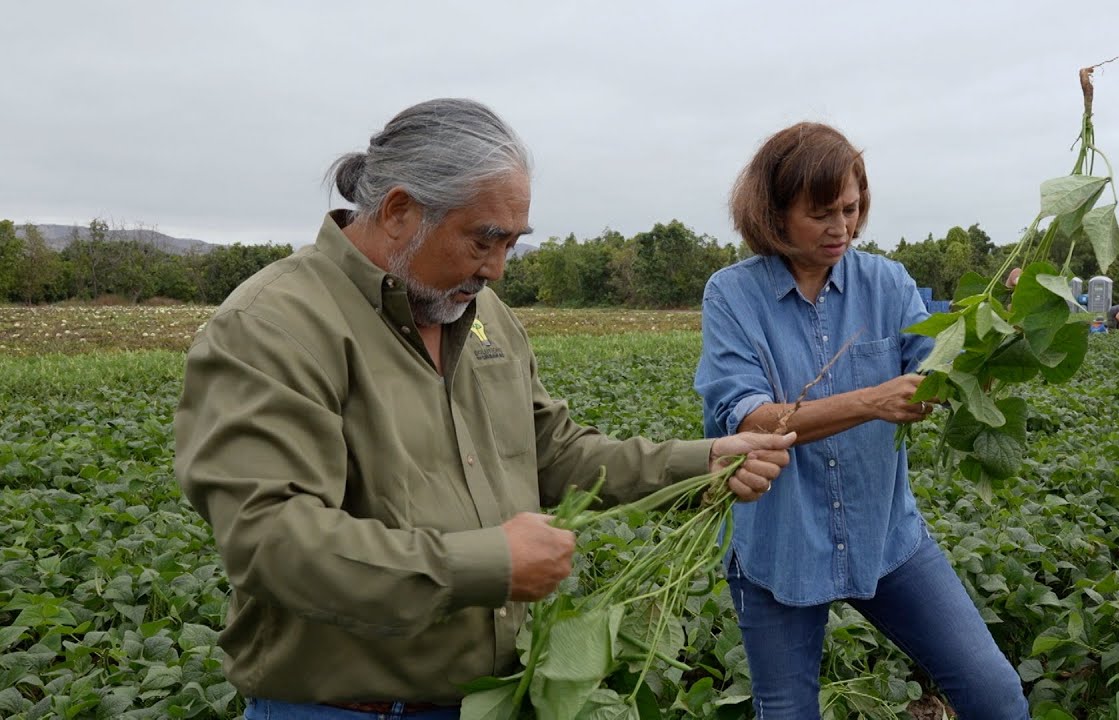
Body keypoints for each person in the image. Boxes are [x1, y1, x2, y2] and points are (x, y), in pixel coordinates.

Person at [173, 99, 795, 720]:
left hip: (488, 700)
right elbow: (271, 540)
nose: (496, 268)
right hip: (346, 709)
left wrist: (706, 463)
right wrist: (487, 564)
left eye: (511, 243)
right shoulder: (275, 327)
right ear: (398, 211)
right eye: (483, 239)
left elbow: (555, 450)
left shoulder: (481, 318)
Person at [694, 122, 1028, 719]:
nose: (841, 228)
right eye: (820, 213)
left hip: (887, 535)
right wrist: (870, 400)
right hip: (781, 544)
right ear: (773, 215)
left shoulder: (888, 282)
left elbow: (946, 381)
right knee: (788, 708)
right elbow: (751, 419)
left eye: (850, 209)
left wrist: (1001, 336)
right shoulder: (731, 296)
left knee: (994, 693)